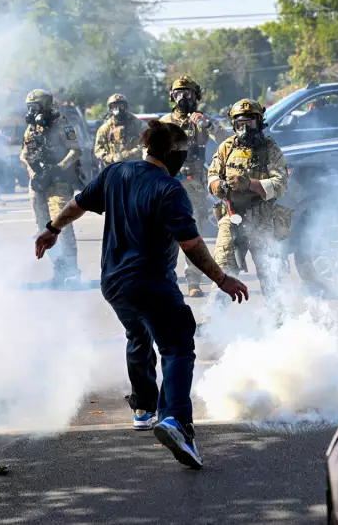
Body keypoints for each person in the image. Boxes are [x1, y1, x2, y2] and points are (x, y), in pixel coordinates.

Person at [34, 119, 249, 469]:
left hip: (114, 284)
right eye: (184, 152)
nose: (186, 157)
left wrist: (52, 229)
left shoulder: (115, 172)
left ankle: (144, 408)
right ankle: (176, 420)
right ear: (170, 152)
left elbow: (78, 203)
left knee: (138, 334)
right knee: (178, 345)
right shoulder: (169, 189)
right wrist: (222, 279)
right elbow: (192, 245)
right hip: (151, 282)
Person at [208, 98, 290, 300]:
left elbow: (281, 185)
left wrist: (250, 184)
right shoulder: (226, 148)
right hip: (231, 216)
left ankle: (279, 323)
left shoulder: (270, 149)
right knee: (223, 272)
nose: (245, 128)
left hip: (262, 219)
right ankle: (214, 322)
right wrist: (217, 185)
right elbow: (212, 175)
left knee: (271, 276)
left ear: (259, 122)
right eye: (240, 124)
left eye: (250, 123)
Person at [160, 75, 229, 298]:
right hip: (168, 183)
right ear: (172, 96)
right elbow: (147, 153)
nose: (183, 98)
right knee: (164, 234)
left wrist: (207, 124)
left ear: (195, 96)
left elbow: (227, 140)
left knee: (193, 233)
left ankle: (193, 281)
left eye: (188, 93)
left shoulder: (202, 121)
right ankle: (164, 279)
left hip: (195, 184)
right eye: (179, 93)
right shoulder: (165, 122)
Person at [21, 88, 83, 286]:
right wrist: (33, 173)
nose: (31, 111)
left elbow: (75, 151)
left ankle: (72, 272)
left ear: (45, 106)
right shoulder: (31, 129)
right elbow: (23, 154)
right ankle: (59, 269)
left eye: (35, 107)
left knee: (61, 227)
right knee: (42, 227)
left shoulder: (62, 124)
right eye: (29, 107)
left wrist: (57, 168)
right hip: (39, 184)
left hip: (58, 183)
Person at [93, 93, 146, 166]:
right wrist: (112, 158)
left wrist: (132, 153)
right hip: (114, 168)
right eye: (114, 106)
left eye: (121, 106)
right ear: (110, 109)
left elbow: (148, 143)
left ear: (125, 107)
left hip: (135, 166)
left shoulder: (138, 124)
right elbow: (98, 150)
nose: (118, 109)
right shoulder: (105, 129)